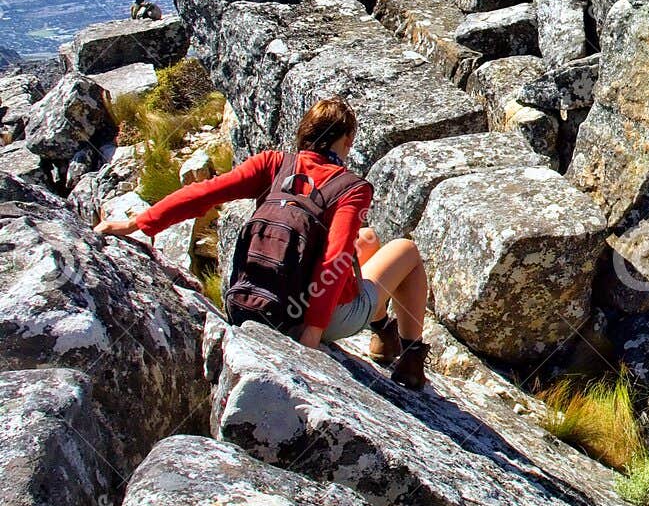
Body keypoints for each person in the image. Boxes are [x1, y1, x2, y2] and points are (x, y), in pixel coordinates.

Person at [94, 98, 433, 390]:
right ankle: (411, 359)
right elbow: (335, 257)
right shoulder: (351, 187)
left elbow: (204, 193)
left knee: (369, 240)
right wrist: (313, 333)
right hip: (309, 316)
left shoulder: (274, 164)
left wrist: (138, 222)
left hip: (252, 299)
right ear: (346, 140)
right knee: (406, 251)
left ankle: (382, 335)